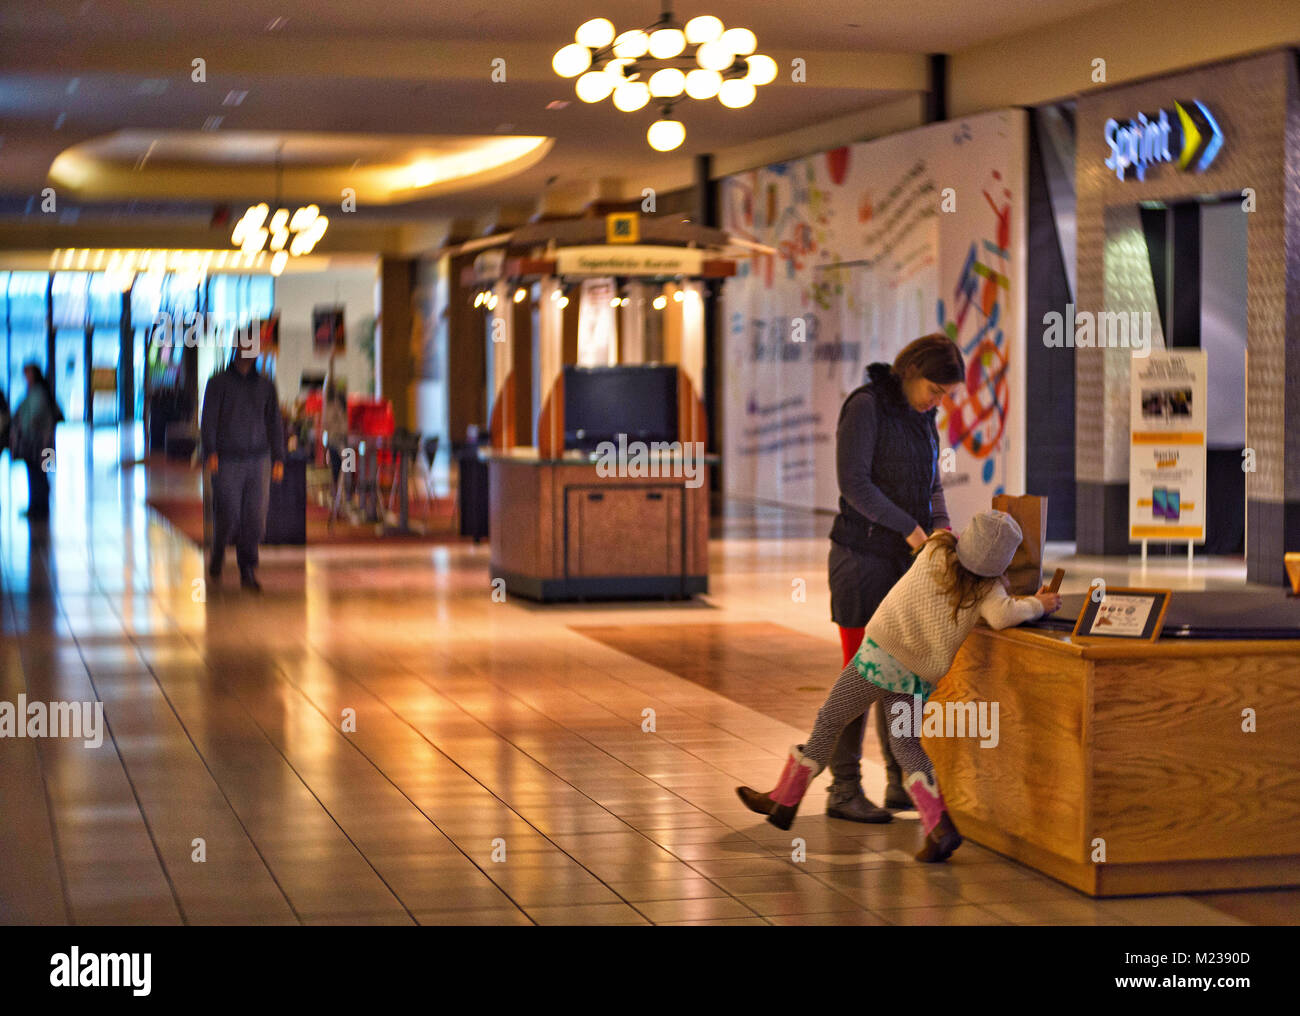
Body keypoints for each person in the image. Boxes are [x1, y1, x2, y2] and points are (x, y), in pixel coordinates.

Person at [737, 511, 1062, 861]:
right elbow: (1003, 616)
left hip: (880, 657)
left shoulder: (937, 549)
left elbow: (940, 540)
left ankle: (784, 800)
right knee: (906, 745)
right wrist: (1038, 604)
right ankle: (940, 828)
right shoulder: (988, 589)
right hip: (914, 677)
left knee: (831, 719)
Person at [738, 334, 965, 824]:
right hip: (859, 561)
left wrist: (941, 530)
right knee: (861, 677)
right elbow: (854, 484)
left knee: (900, 674)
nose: (938, 401)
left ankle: (899, 782)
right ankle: (843, 788)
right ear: (910, 371)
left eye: (945, 395)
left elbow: (932, 484)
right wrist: (910, 529)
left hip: (903, 566)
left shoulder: (924, 419)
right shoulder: (865, 407)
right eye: (935, 389)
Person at [200, 350, 286, 592]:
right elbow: (208, 419)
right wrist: (210, 452)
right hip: (227, 459)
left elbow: (274, 421)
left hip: (259, 459)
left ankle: (247, 568)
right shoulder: (218, 383)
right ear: (235, 349)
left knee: (255, 518)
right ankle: (218, 549)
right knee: (228, 513)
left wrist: (279, 457)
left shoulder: (266, 385)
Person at [9, 363, 61, 522]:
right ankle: (37, 507)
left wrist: (23, 430)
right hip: (43, 443)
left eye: (28, 374)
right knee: (39, 474)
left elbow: (32, 417)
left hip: (36, 444)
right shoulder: (39, 392)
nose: (26, 378)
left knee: (37, 474)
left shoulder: (37, 393)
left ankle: (38, 508)